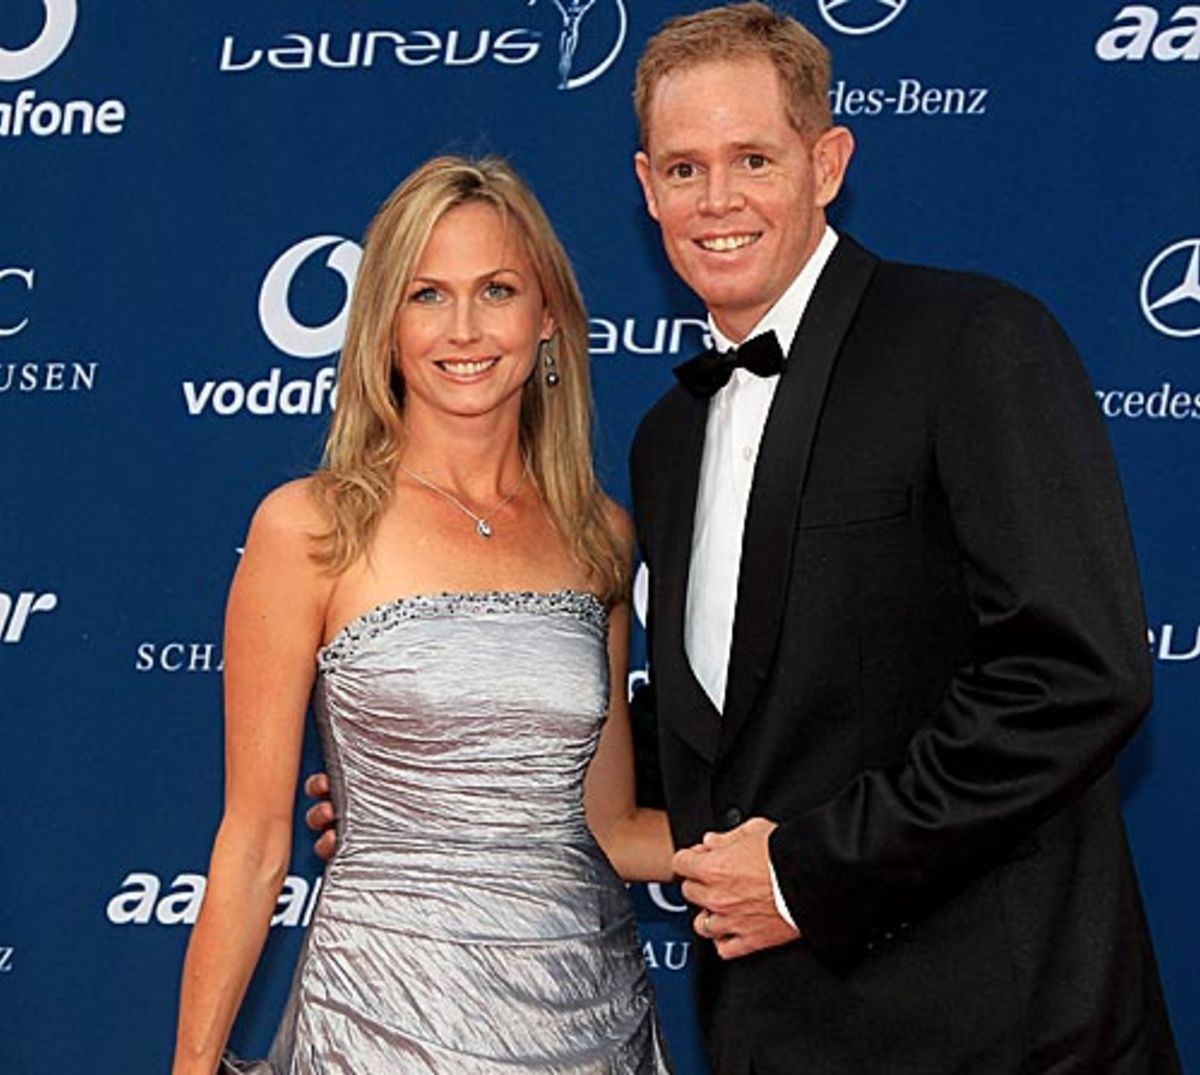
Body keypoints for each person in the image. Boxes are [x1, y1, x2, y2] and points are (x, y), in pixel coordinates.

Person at [626, 3, 1180, 1073]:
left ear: (827, 163)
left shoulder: (972, 341)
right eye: (685, 168)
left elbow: (1074, 674)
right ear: (648, 187)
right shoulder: (666, 438)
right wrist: (434, 789)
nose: (717, 199)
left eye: (753, 159)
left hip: (1004, 1036)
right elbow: (722, 737)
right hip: (776, 1036)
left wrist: (809, 872)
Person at [172, 155, 674, 1074]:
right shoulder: (309, 527)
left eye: (497, 290)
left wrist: (805, 850)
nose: (465, 328)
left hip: (587, 1026)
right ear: (385, 325)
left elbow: (608, 826)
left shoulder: (598, 534)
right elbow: (253, 841)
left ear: (548, 316)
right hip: (378, 1023)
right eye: (428, 295)